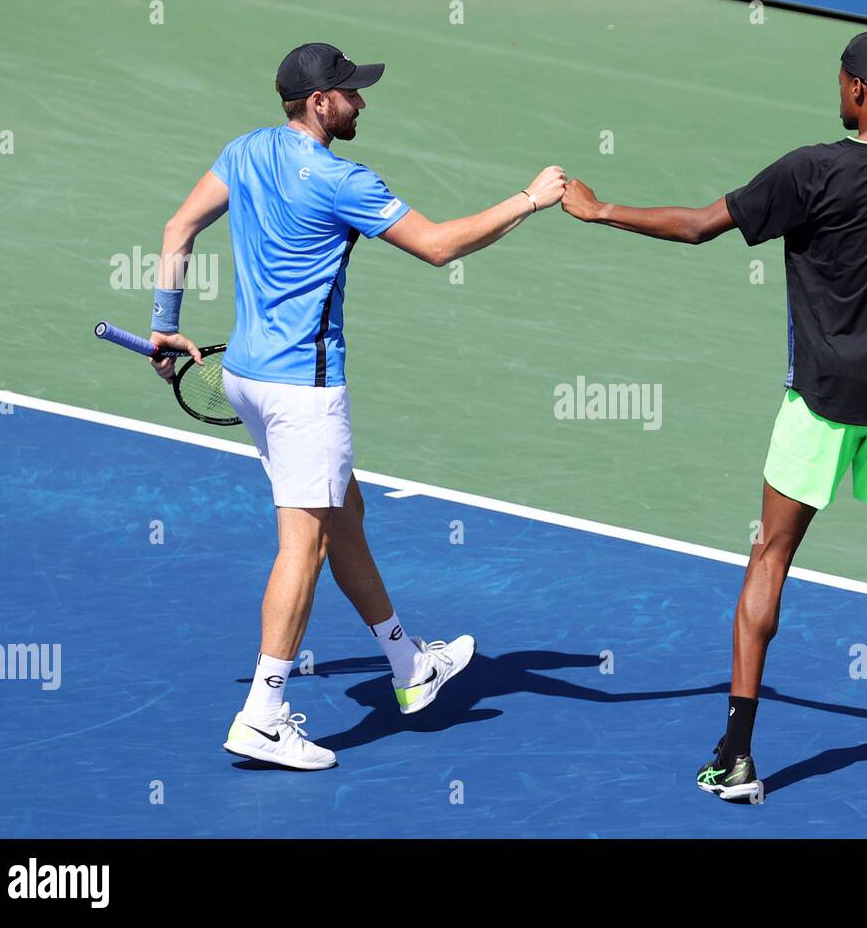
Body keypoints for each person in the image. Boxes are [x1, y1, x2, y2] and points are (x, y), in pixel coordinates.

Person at [560, 31, 867, 806]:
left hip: (822, 404)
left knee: (770, 556)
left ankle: (737, 757)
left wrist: (599, 211)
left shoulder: (811, 171)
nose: (838, 90)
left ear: (860, 91)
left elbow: (699, 225)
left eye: (842, 81)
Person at [147, 42, 567, 769]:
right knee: (302, 545)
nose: (361, 102)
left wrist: (163, 320)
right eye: (349, 93)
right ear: (319, 103)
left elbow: (177, 229)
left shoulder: (244, 150)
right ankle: (264, 714)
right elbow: (437, 247)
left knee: (346, 518)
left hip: (247, 378)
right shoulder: (344, 181)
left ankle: (409, 666)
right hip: (302, 393)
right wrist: (530, 199)